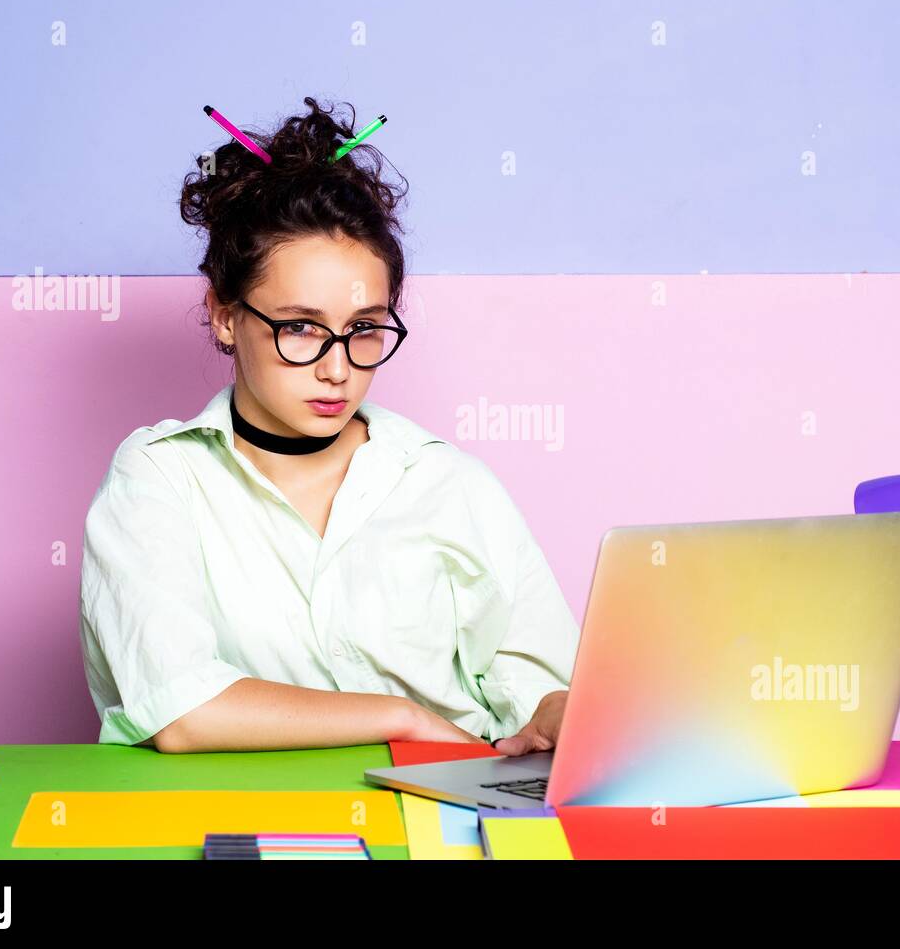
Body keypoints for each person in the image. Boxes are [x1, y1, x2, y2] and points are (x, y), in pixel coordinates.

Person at [78, 97, 577, 758]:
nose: (338, 367)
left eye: (364, 328)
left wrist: (569, 711)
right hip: (240, 824)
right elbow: (183, 707)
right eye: (301, 327)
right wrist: (402, 717)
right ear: (226, 315)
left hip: (455, 813)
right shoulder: (160, 475)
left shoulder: (450, 481)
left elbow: (536, 678)